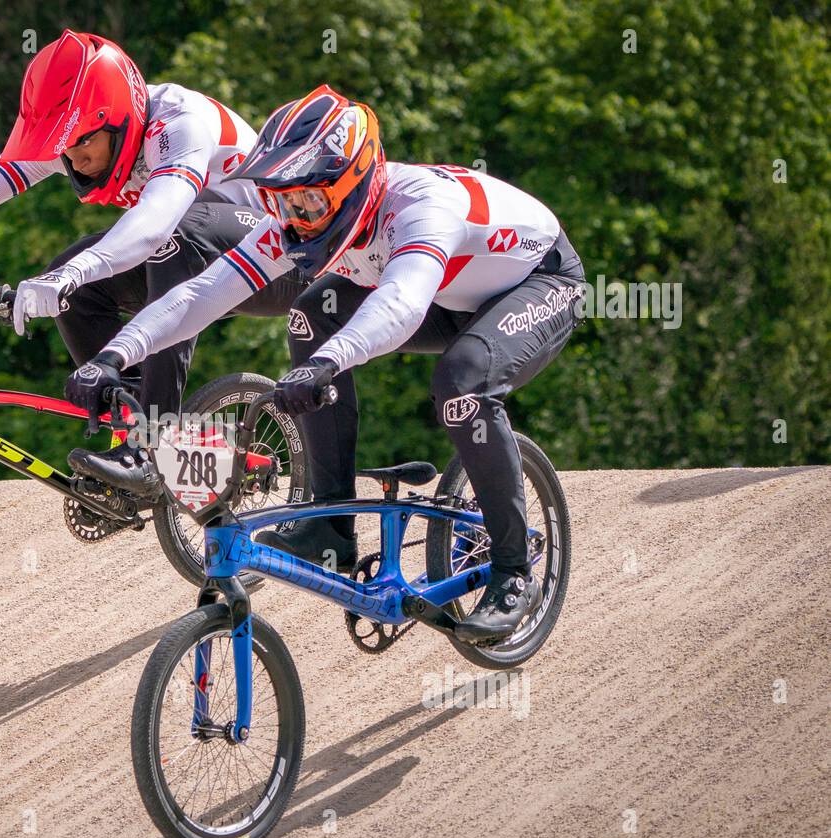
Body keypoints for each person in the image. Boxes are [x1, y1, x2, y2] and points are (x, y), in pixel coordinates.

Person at [64, 85, 586, 643]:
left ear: (353, 181)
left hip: (538, 281)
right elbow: (200, 295)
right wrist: (116, 354)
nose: (297, 220)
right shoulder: (296, 219)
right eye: (283, 203)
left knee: (462, 383)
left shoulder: (420, 209)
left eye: (309, 203)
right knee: (310, 315)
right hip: (444, 292)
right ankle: (330, 529)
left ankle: (513, 573)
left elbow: (402, 304)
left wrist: (327, 364)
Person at [0, 29, 303, 489]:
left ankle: (150, 448)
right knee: (76, 287)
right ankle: (133, 420)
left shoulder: (179, 123)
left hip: (280, 257)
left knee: (154, 244)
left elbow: (154, 223)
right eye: (63, 147)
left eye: (82, 142)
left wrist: (72, 273)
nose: (73, 159)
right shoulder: (80, 129)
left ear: (121, 118)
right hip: (193, 258)